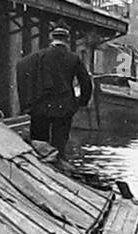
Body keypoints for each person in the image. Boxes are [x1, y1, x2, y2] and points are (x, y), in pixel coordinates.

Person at [15, 24, 93, 158]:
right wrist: (81, 102)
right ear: (67, 40)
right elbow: (86, 83)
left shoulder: (38, 56)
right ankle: (58, 165)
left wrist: (27, 101)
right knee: (59, 144)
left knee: (39, 144)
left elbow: (21, 66)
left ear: (52, 38)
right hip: (64, 106)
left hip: (41, 104)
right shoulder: (73, 58)